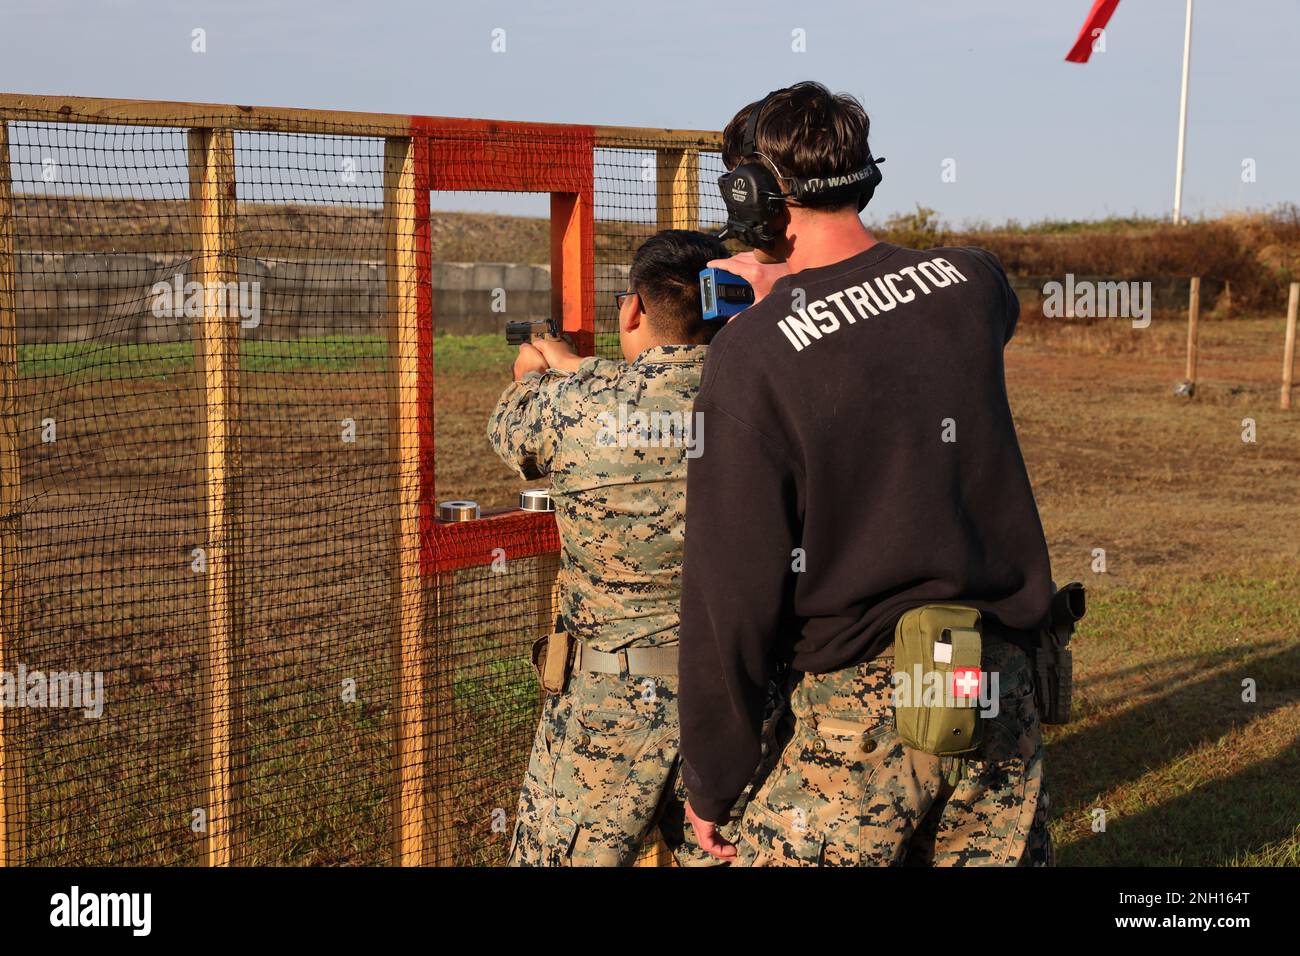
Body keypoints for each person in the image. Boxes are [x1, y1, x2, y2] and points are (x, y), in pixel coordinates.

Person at [678, 81, 1057, 866]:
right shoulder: (972, 282)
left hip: (861, 712)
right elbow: (926, 321)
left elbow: (731, 592)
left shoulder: (752, 356)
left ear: (752, 198)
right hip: (999, 683)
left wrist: (713, 780)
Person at [488, 229, 741, 866]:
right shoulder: (764, 399)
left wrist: (532, 373)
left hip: (604, 710)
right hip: (734, 702)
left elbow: (510, 435)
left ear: (633, 309)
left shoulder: (575, 404)